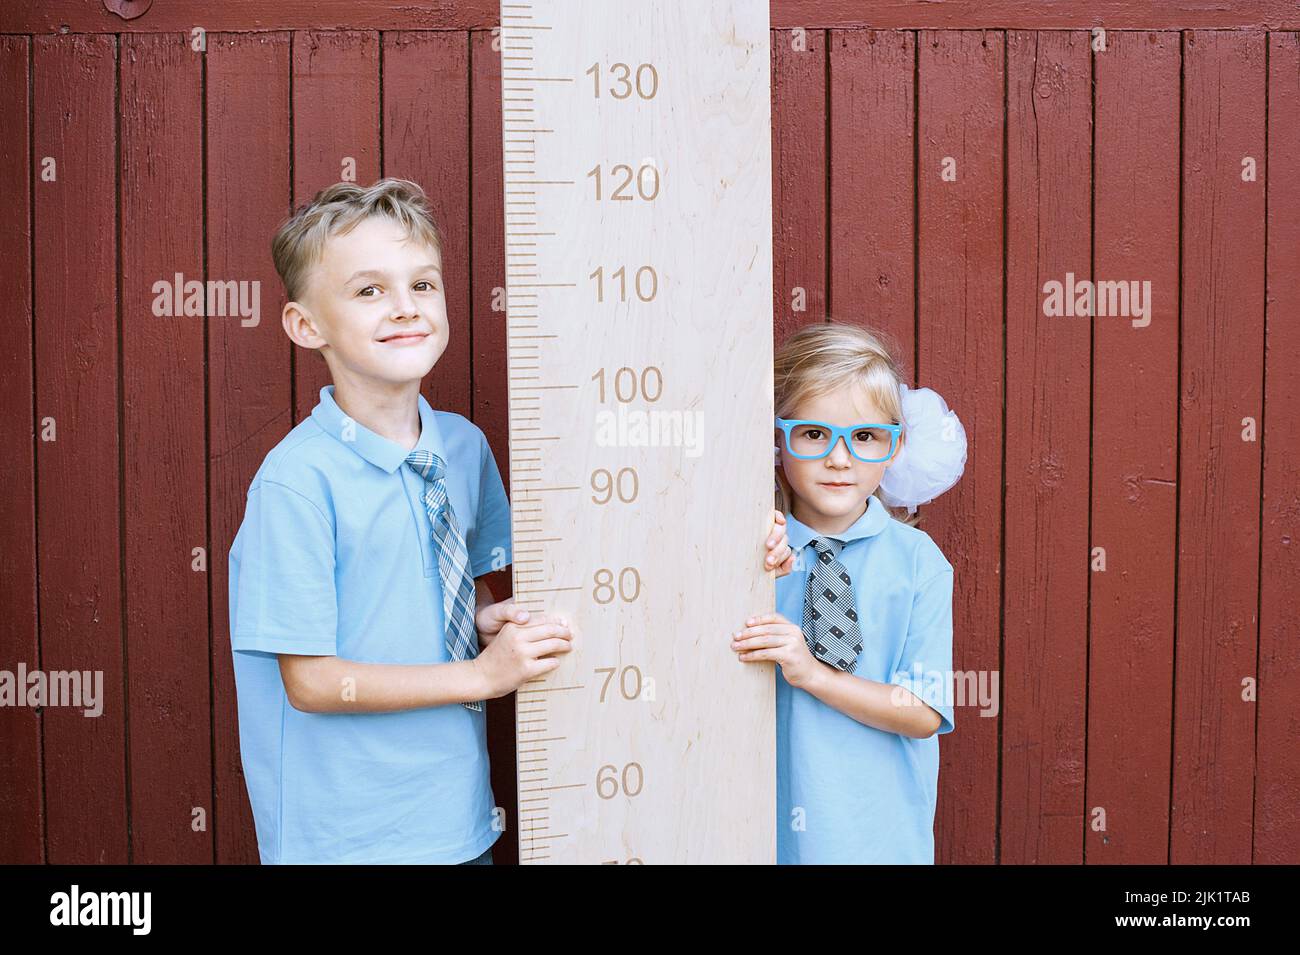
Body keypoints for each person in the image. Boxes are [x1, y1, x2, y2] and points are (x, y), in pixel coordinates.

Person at [730, 320, 967, 864]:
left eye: (864, 437)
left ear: (895, 446)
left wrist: (810, 672)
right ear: (776, 437)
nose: (840, 459)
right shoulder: (750, 553)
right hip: (763, 837)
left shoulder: (918, 563)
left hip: (876, 839)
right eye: (814, 434)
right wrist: (751, 580)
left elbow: (923, 711)